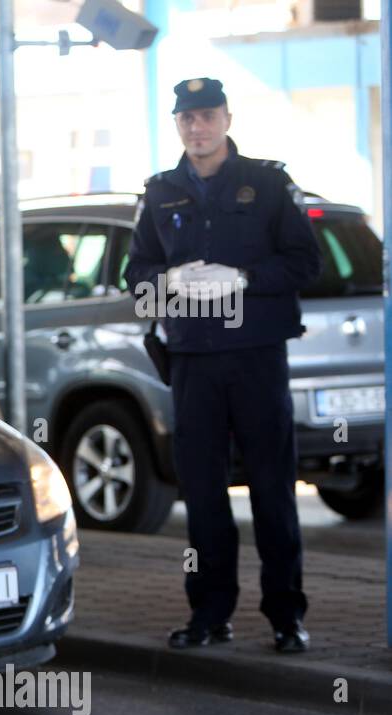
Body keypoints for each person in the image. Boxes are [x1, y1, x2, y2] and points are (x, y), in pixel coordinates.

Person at [125, 78, 322, 654]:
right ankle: (209, 614)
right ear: (177, 124)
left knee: (272, 491)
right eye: (187, 118)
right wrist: (167, 280)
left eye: (207, 115)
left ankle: (286, 616)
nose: (197, 127)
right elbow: (136, 276)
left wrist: (244, 279)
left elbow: (305, 263)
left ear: (227, 119)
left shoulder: (268, 182)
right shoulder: (159, 193)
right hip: (192, 361)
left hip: (257, 356)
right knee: (203, 495)